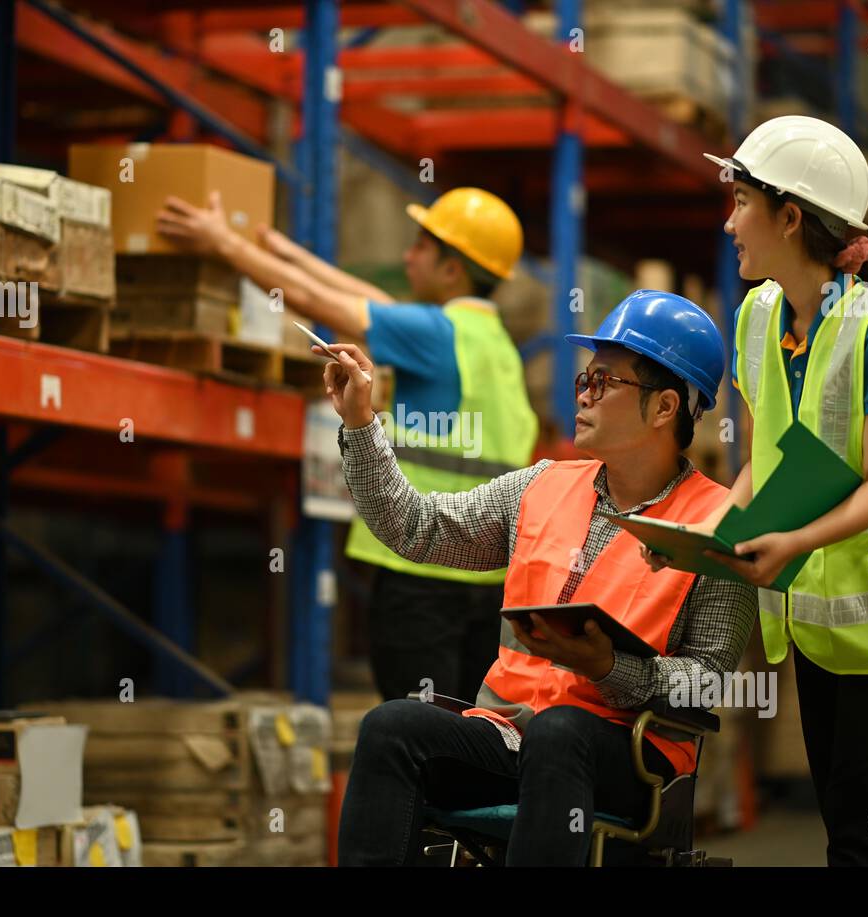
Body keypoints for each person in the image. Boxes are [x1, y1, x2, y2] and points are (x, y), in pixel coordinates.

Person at [320, 291, 757, 866]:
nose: (583, 394)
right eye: (585, 379)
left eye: (605, 383)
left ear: (665, 407)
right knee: (392, 727)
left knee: (561, 734)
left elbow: (705, 684)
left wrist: (610, 669)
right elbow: (416, 527)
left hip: (629, 754)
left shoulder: (717, 527)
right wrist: (361, 423)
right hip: (511, 737)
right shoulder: (540, 486)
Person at [666, 115, 868, 866]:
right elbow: (763, 460)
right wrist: (708, 536)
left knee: (866, 837)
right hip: (823, 629)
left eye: (741, 203)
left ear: (791, 217)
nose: (729, 220)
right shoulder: (757, 318)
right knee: (844, 829)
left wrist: (793, 542)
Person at [158, 187, 538, 703]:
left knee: (419, 736)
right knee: (469, 732)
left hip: (419, 576)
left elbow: (326, 306)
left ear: (453, 269)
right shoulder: (493, 345)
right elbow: (373, 303)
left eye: (422, 245)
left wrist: (223, 243)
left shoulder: (433, 333)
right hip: (485, 582)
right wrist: (288, 254)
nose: (407, 256)